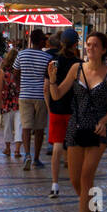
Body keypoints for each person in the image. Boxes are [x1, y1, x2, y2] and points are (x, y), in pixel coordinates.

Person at [54, 32, 107, 212]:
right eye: (88, 44)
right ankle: (93, 206)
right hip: (77, 125)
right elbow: (57, 95)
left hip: (99, 129)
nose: (90, 48)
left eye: (94, 45)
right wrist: (51, 80)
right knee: (74, 179)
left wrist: (104, 121)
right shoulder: (76, 68)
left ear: (103, 49)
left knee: (86, 175)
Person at [46, 28, 80, 197]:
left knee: (57, 147)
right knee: (73, 147)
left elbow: (47, 87)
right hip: (73, 108)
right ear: (76, 44)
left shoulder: (53, 61)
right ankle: (77, 183)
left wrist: (49, 105)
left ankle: (55, 183)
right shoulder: (78, 63)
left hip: (56, 107)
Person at [14, 28, 51, 170]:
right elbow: (48, 78)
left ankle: (27, 154)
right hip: (40, 95)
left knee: (26, 127)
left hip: (25, 95)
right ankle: (36, 158)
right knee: (40, 128)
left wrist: (20, 87)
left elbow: (15, 73)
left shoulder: (21, 55)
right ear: (41, 41)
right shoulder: (46, 57)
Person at [0, 41, 22, 159]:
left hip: (6, 100)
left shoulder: (3, 71)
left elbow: (0, 88)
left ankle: (7, 148)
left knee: (7, 125)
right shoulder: (20, 70)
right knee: (19, 125)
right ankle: (17, 150)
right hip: (18, 99)